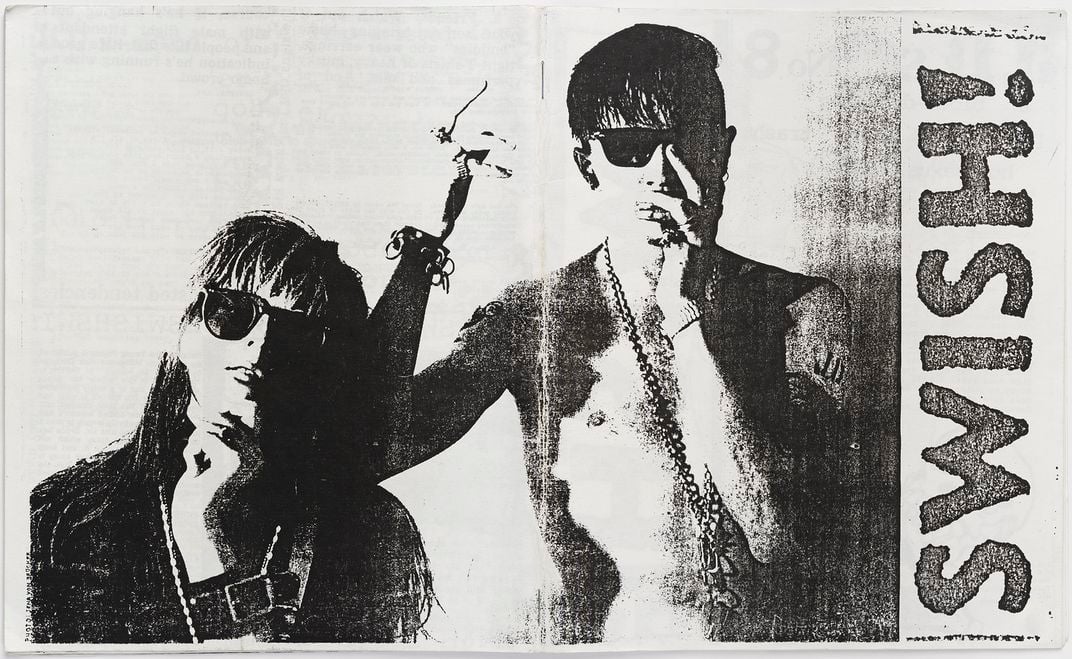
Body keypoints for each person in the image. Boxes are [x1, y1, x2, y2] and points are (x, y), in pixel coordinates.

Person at [376, 24, 855, 642]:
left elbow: (784, 535)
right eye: (631, 147)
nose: (663, 173)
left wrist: (684, 313)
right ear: (587, 163)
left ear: (725, 150)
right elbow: (370, 450)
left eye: (690, 140)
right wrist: (420, 247)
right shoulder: (529, 318)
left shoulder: (802, 309)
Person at [27, 210, 456, 643]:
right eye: (232, 313)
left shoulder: (366, 529)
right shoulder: (65, 517)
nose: (261, 342)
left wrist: (205, 539)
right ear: (184, 331)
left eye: (298, 335)